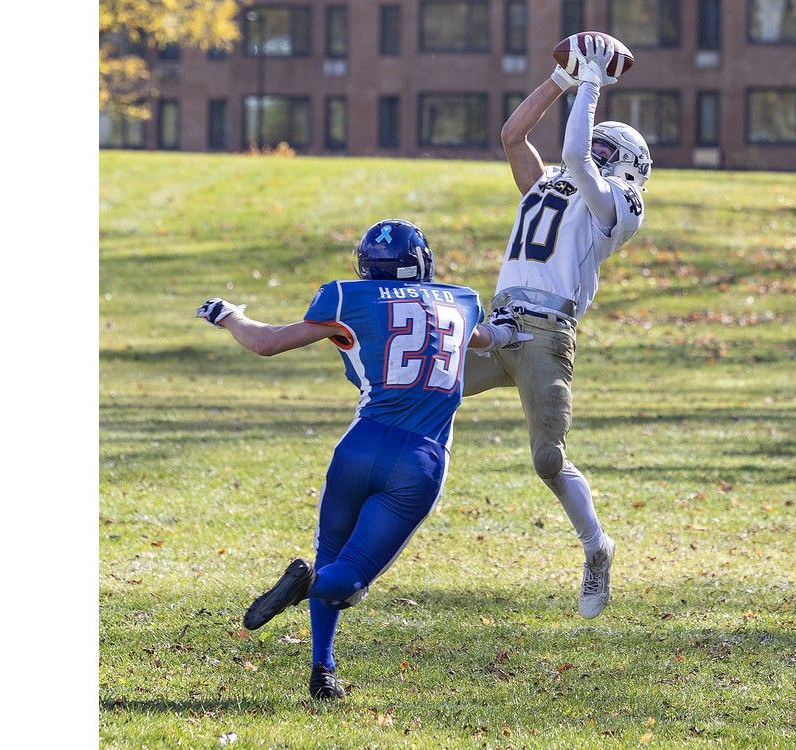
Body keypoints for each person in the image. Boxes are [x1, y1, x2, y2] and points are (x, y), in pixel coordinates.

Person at [195, 219, 529, 701]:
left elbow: (265, 342)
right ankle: (309, 591)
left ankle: (323, 670)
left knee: (331, 553)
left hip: (359, 445)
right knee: (346, 579)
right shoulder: (461, 300)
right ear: (422, 263)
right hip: (419, 459)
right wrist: (510, 331)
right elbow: (486, 338)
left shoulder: (346, 297)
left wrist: (225, 313)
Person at [462, 35, 651, 619]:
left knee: (548, 459)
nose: (590, 143)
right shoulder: (548, 187)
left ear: (624, 162)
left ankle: (597, 547)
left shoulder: (619, 204)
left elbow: (574, 156)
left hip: (546, 333)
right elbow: (512, 137)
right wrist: (562, 83)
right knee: (426, 379)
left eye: (600, 142)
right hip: (499, 324)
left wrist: (592, 83)